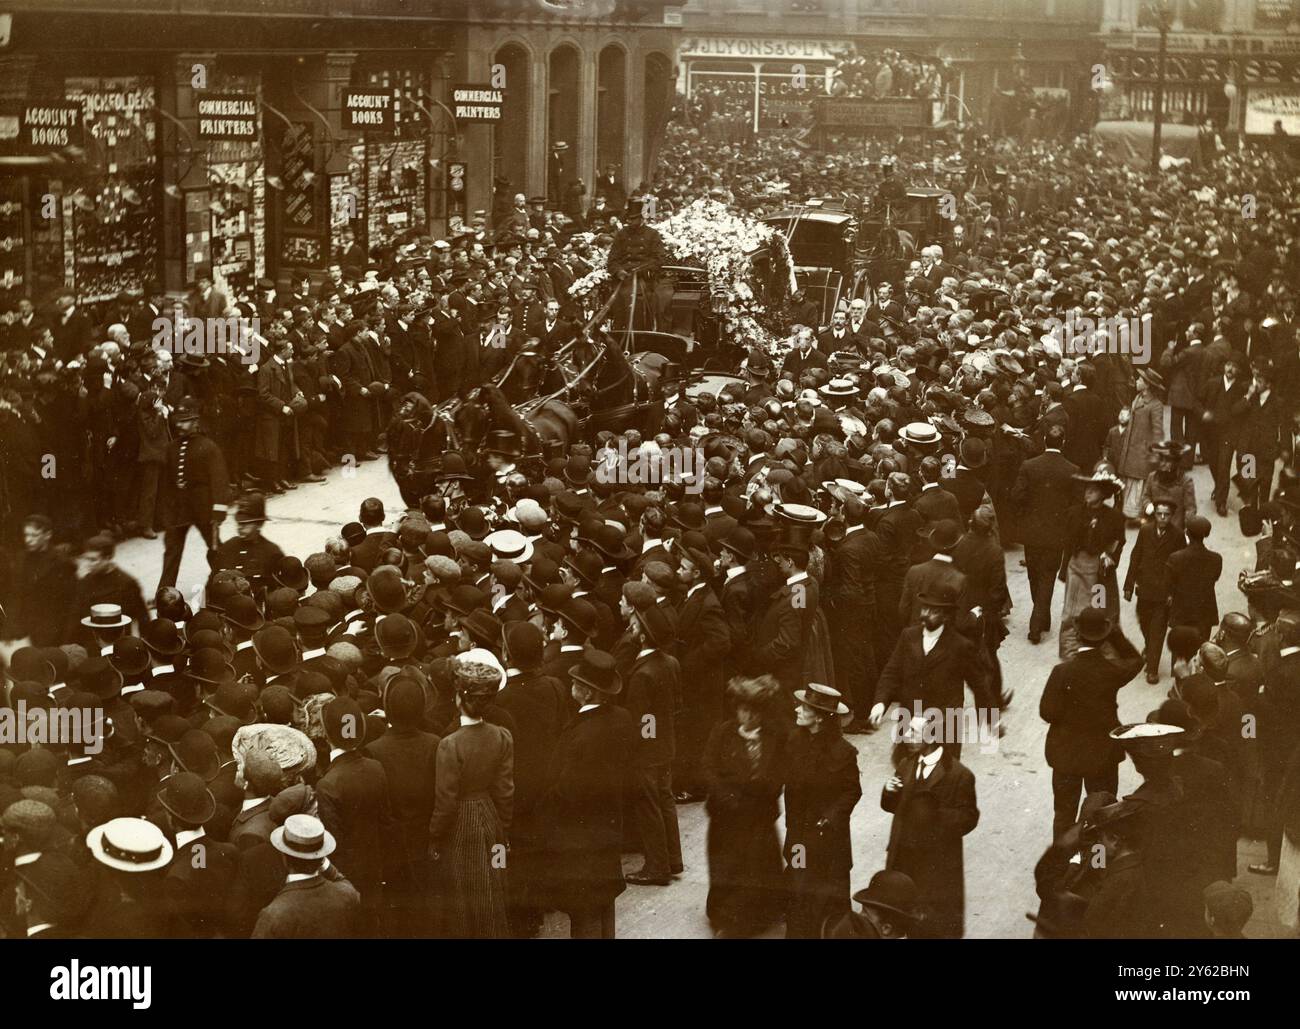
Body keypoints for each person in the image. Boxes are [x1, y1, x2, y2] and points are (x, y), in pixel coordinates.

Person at [541, 649, 634, 938]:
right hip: (608, 826)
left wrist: (545, 809)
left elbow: (566, 790)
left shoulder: (581, 735)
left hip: (579, 836)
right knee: (604, 900)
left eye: (575, 682)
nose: (572, 686)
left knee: (585, 910)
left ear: (587, 692)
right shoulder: (622, 718)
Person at [428, 649, 515, 938]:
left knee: (465, 895)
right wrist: (503, 829)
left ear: (459, 699)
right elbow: (505, 790)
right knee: (494, 886)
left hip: (460, 826)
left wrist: (435, 838)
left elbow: (445, 801)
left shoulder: (449, 745)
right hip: (491, 818)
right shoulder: (502, 735)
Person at [1038, 609, 1144, 839]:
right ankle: (1096, 863)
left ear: (1077, 634)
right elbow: (1136, 660)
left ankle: (1062, 864)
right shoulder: (1111, 671)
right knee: (1101, 813)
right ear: (1104, 635)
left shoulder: (1062, 672)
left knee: (1064, 813)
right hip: (1102, 754)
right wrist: (1114, 634)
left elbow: (1047, 712)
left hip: (1067, 755)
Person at [703, 674, 788, 938]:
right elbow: (709, 770)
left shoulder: (774, 737)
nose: (748, 716)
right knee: (727, 868)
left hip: (758, 818)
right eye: (743, 710)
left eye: (754, 712)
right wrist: (729, 799)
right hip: (726, 817)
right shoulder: (723, 733)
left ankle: (757, 915)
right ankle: (726, 919)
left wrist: (762, 795)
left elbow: (779, 773)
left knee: (757, 868)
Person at [881, 713, 980, 938]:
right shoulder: (906, 765)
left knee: (932, 924)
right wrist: (889, 792)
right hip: (904, 859)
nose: (906, 736)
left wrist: (935, 816)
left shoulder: (959, 775)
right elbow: (890, 806)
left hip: (935, 866)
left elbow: (969, 817)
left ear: (932, 736)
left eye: (913, 732)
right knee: (899, 918)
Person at [783, 682, 861, 939]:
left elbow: (852, 792)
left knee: (828, 897)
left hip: (829, 842)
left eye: (803, 708)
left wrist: (830, 817)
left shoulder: (844, 753)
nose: (797, 710)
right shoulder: (794, 741)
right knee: (797, 887)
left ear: (818, 717)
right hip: (798, 837)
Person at [1011, 424, 1078, 644]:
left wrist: (1026, 514)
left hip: (1032, 532)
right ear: (1064, 442)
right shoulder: (1072, 470)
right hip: (1056, 534)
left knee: (1035, 575)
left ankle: (1036, 624)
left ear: (1045, 442)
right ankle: (1042, 616)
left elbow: (1017, 496)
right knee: (1048, 576)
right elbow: (1076, 506)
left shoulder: (1029, 466)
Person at [252, 814, 362, 938]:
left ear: (284, 858)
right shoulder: (347, 894)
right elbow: (341, 880)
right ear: (321, 857)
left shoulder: (274, 913)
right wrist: (325, 864)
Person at [1058, 466, 1126, 660]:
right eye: (1087, 489)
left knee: (1100, 610)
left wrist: (1110, 557)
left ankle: (1103, 652)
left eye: (1093, 490)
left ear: (1103, 494)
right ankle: (1070, 653)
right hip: (1077, 568)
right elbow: (1068, 544)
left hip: (1099, 573)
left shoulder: (1114, 517)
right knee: (1072, 612)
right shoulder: (1074, 513)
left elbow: (1119, 542)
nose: (1087, 493)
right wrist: (1064, 570)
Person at [1123, 499, 1187, 683]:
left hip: (1164, 592)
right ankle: (1149, 647)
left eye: (1166, 514)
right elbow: (1136, 557)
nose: (1162, 518)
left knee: (1157, 629)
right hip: (1144, 587)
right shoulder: (1145, 531)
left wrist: (1173, 593)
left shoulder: (1177, 536)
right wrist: (1128, 585)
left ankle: (1152, 669)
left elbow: (1181, 567)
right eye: (1159, 514)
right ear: (1155, 514)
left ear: (1172, 515)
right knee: (1144, 622)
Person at [1166, 515, 1222, 646]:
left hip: (1182, 613)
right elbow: (1215, 578)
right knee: (1201, 651)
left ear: (1187, 533)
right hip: (1204, 613)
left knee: (1180, 653)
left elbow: (1169, 584)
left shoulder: (1175, 558)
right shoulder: (1216, 559)